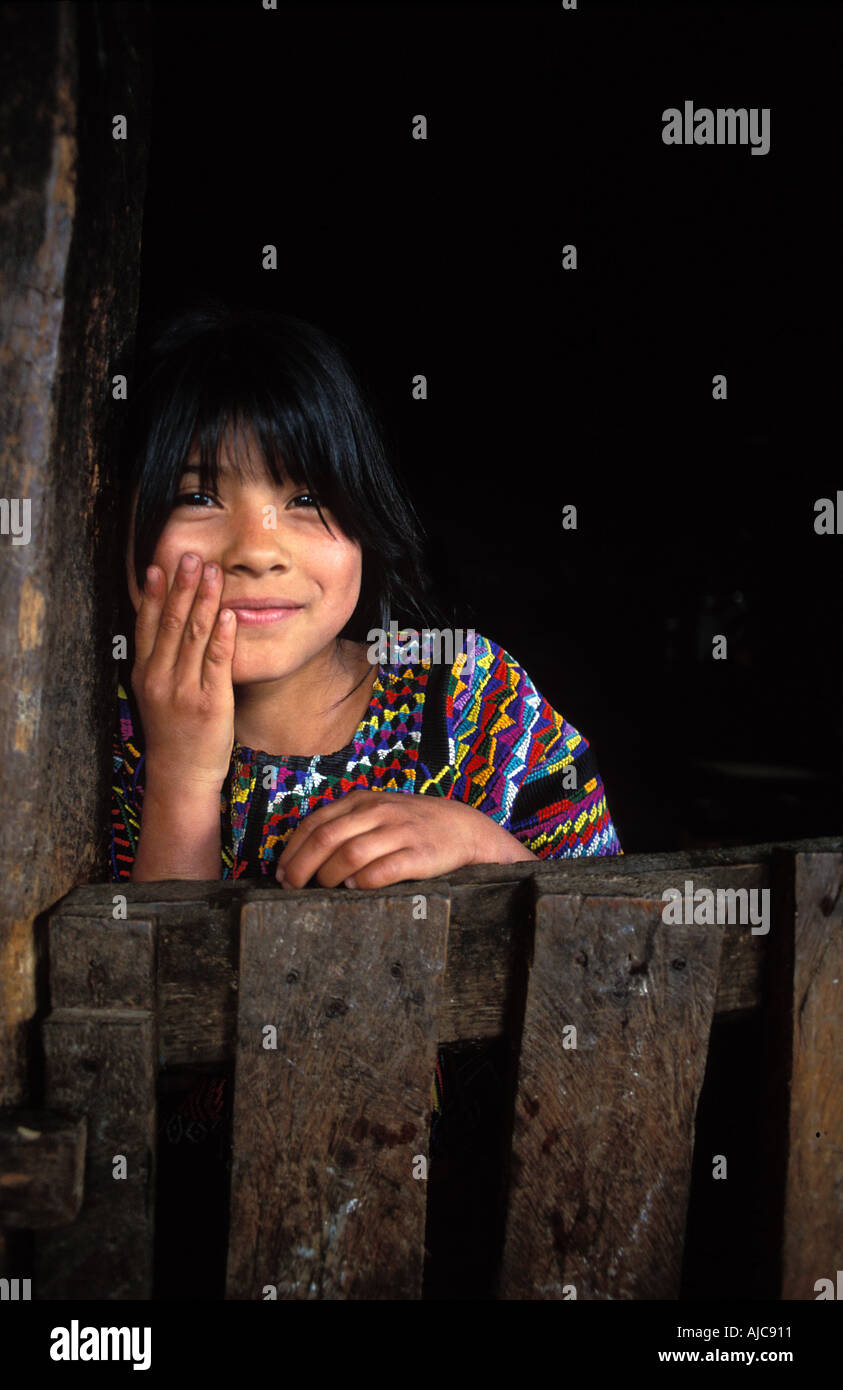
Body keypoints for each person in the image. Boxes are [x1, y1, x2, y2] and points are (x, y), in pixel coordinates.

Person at [109, 300, 622, 1292]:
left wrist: (487, 850)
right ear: (123, 523)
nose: (258, 547)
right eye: (198, 496)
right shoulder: (103, 744)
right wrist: (182, 771)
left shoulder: (467, 696)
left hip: (484, 1226)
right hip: (200, 1240)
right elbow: (141, 1077)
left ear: (367, 517)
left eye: (306, 499)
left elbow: (625, 962)